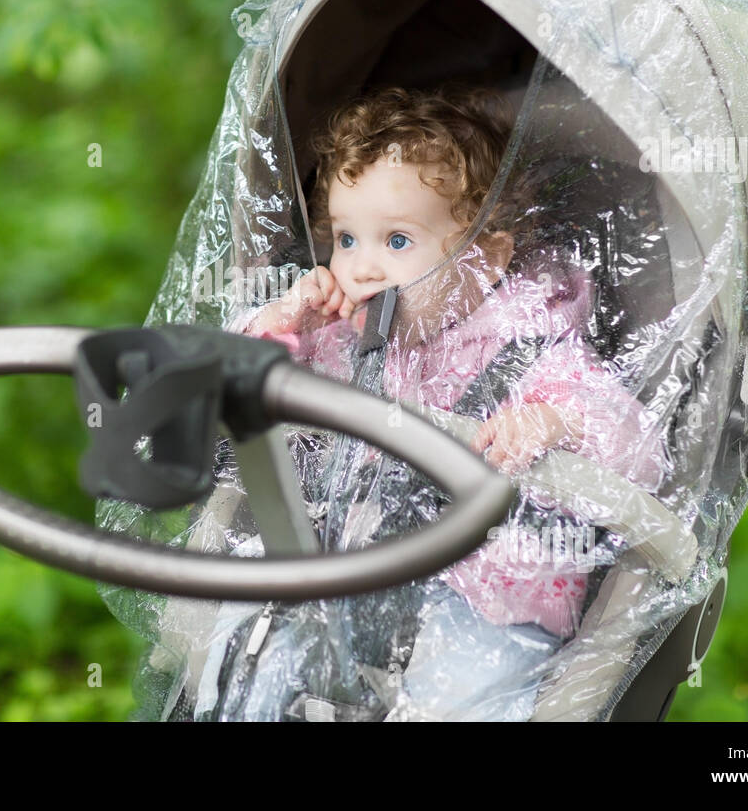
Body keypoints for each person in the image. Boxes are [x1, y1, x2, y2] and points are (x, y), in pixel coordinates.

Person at [217, 83, 672, 720]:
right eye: (347, 240)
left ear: (483, 260)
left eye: (396, 241)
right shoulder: (338, 343)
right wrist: (282, 321)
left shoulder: (529, 352)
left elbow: (639, 450)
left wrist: (552, 421)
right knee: (255, 667)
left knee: (454, 702)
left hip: (489, 600)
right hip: (346, 580)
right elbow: (232, 393)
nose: (363, 268)